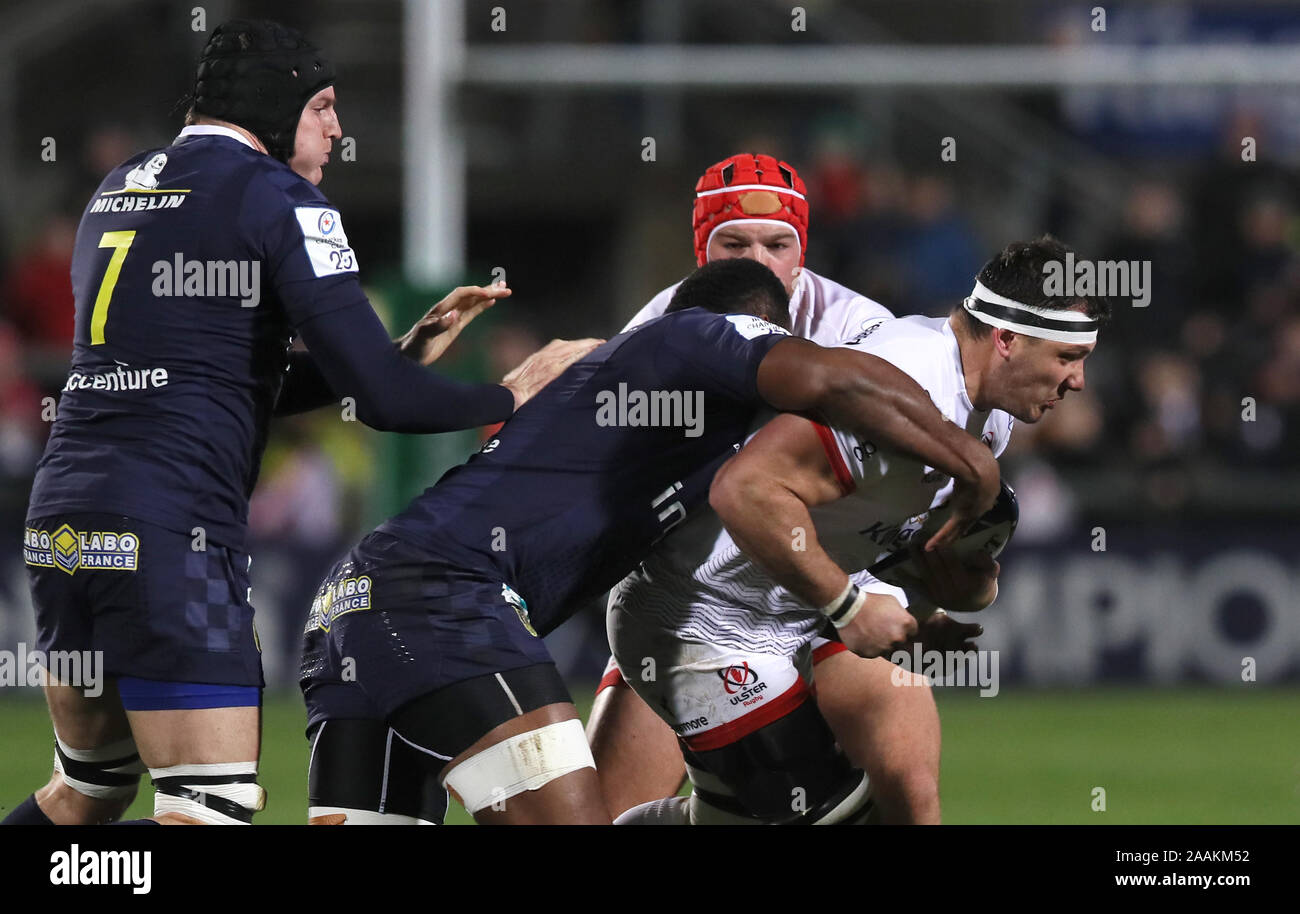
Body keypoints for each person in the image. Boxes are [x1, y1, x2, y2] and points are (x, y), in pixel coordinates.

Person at [4, 18, 588, 827]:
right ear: (276, 112)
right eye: (323, 107)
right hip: (170, 530)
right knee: (210, 805)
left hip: (64, 520)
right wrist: (511, 399)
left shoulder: (122, 186)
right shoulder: (278, 197)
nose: (337, 129)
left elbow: (229, 377)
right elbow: (384, 404)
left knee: (88, 791)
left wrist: (396, 352)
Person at [300, 257, 1001, 825]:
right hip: (447, 596)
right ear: (758, 324)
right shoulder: (701, 334)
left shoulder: (663, 417)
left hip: (351, 603)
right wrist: (972, 462)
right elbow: (831, 378)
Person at [610, 237, 1108, 824]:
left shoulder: (988, 413)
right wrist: (847, 607)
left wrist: (930, 600)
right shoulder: (906, 378)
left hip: (776, 616)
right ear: (1007, 339)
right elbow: (743, 489)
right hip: (701, 616)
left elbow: (859, 523)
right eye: (1066, 357)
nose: (1077, 381)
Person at [589, 152, 946, 823]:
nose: (759, 261)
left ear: (802, 251)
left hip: (825, 588)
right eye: (735, 243)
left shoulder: (862, 332)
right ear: (703, 250)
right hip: (693, 602)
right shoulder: (650, 336)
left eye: (778, 244)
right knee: (601, 814)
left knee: (908, 794)